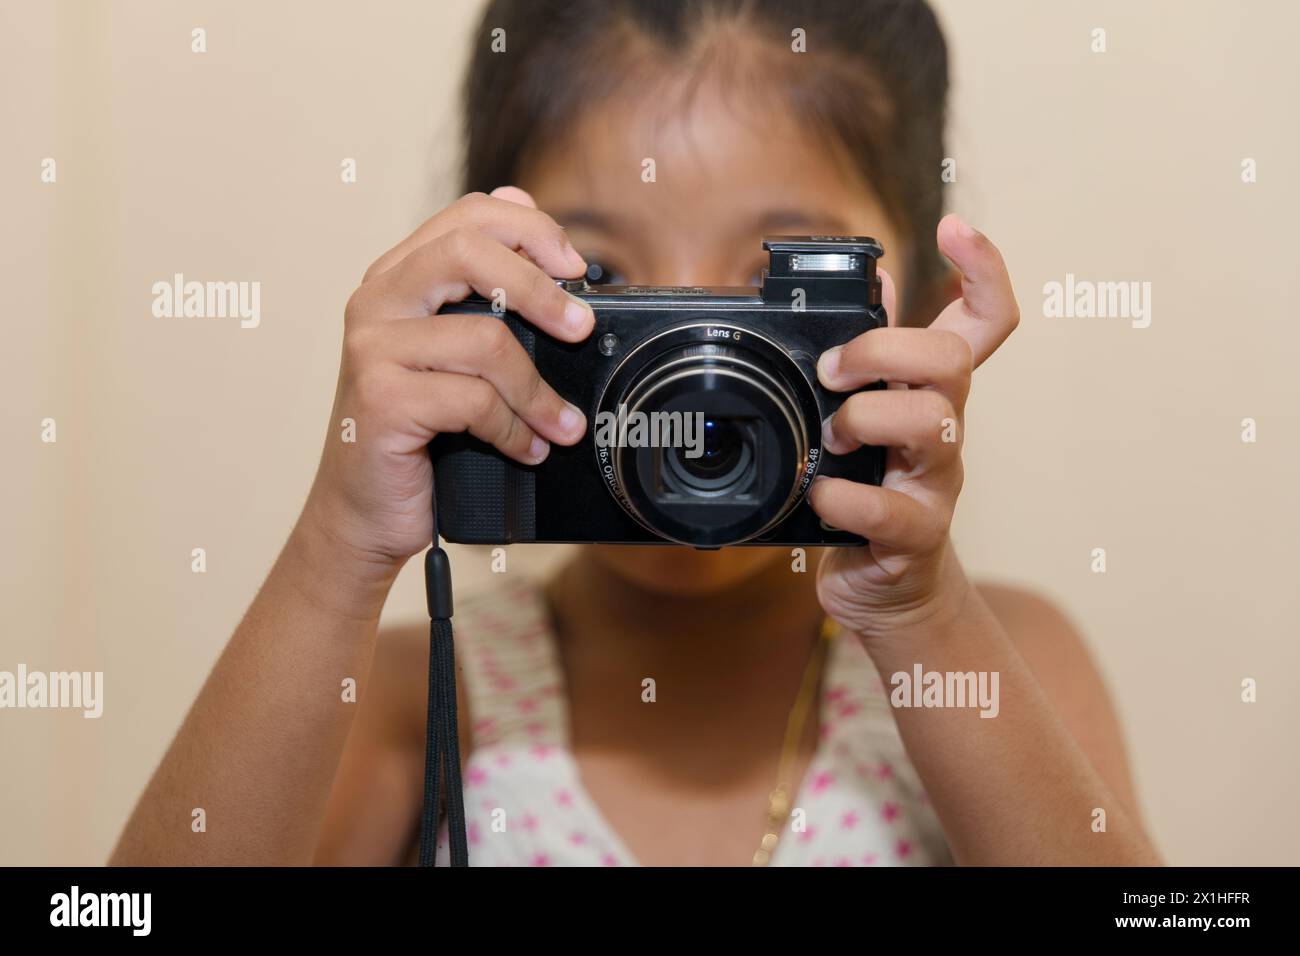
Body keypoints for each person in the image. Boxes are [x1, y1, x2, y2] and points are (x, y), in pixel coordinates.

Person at [111, 0, 1160, 867]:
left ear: (920, 318)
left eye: (775, 283)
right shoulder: (421, 698)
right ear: (477, 301)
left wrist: (923, 617)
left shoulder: (1000, 663)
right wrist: (337, 549)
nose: (696, 386)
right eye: (601, 285)